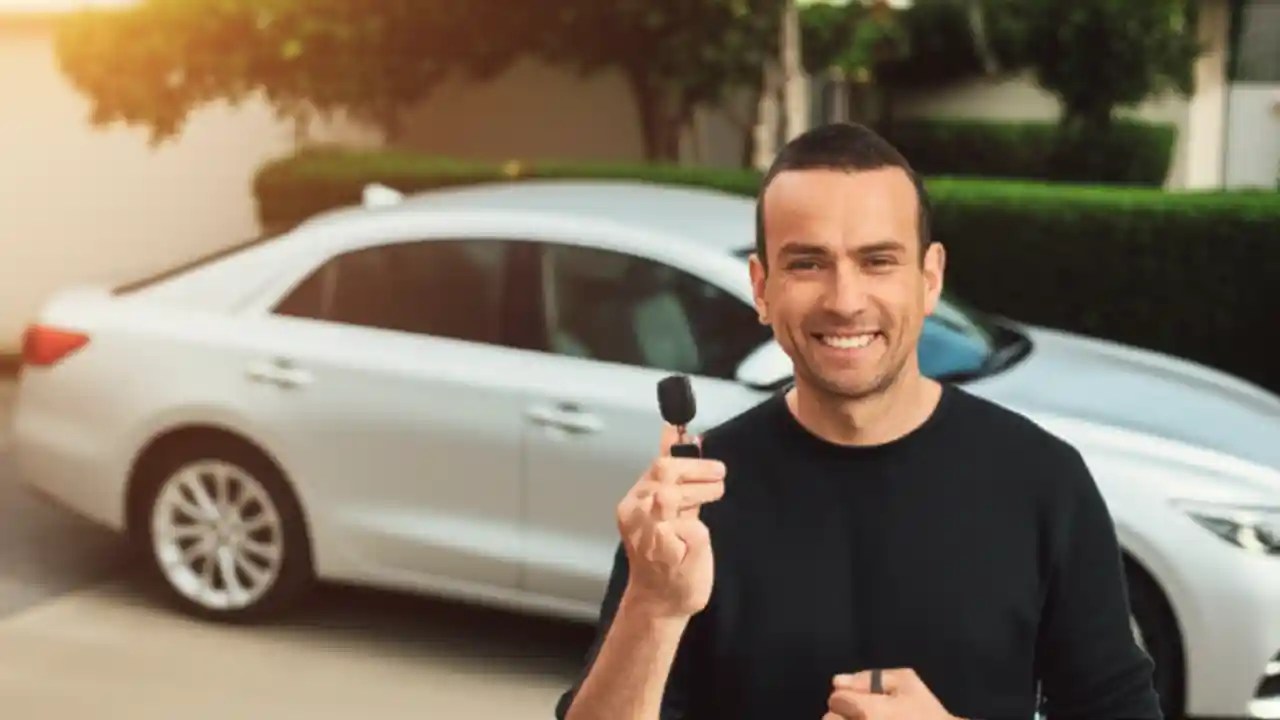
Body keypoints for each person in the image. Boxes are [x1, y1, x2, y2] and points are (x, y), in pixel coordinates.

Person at [554, 122, 1162, 720]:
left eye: (877, 261)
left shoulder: (1042, 482)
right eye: (808, 263)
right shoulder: (693, 505)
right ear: (762, 289)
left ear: (929, 279)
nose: (844, 301)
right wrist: (653, 607)